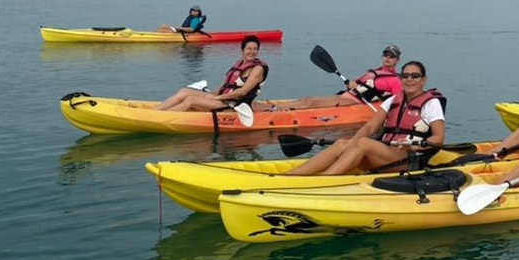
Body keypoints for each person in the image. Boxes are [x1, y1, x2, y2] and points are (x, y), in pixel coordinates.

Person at [287, 61, 445, 175]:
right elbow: (369, 127)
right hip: (386, 153)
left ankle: (324, 180)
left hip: (408, 158)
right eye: (405, 76)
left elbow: (438, 139)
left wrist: (414, 146)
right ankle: (291, 177)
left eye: (415, 76)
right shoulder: (393, 100)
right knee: (343, 142)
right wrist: (350, 145)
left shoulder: (431, 103)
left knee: (363, 143)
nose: (409, 79)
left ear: (424, 79)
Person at [257, 45, 403, 110]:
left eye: (392, 57)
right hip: (346, 96)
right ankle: (271, 107)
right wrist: (351, 83)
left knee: (310, 102)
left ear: (397, 60)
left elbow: (398, 100)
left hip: (354, 102)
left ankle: (273, 109)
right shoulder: (374, 71)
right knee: (305, 99)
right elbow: (355, 83)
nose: (388, 58)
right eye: (386, 55)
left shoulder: (395, 80)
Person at [155, 35, 267, 112]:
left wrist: (217, 98)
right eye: (249, 49)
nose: (252, 52)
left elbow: (243, 91)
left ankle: (162, 117)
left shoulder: (257, 69)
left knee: (190, 100)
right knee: (184, 91)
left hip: (233, 105)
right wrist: (209, 95)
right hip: (222, 99)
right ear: (243, 49)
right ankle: (154, 112)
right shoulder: (239, 63)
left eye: (255, 49)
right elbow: (226, 85)